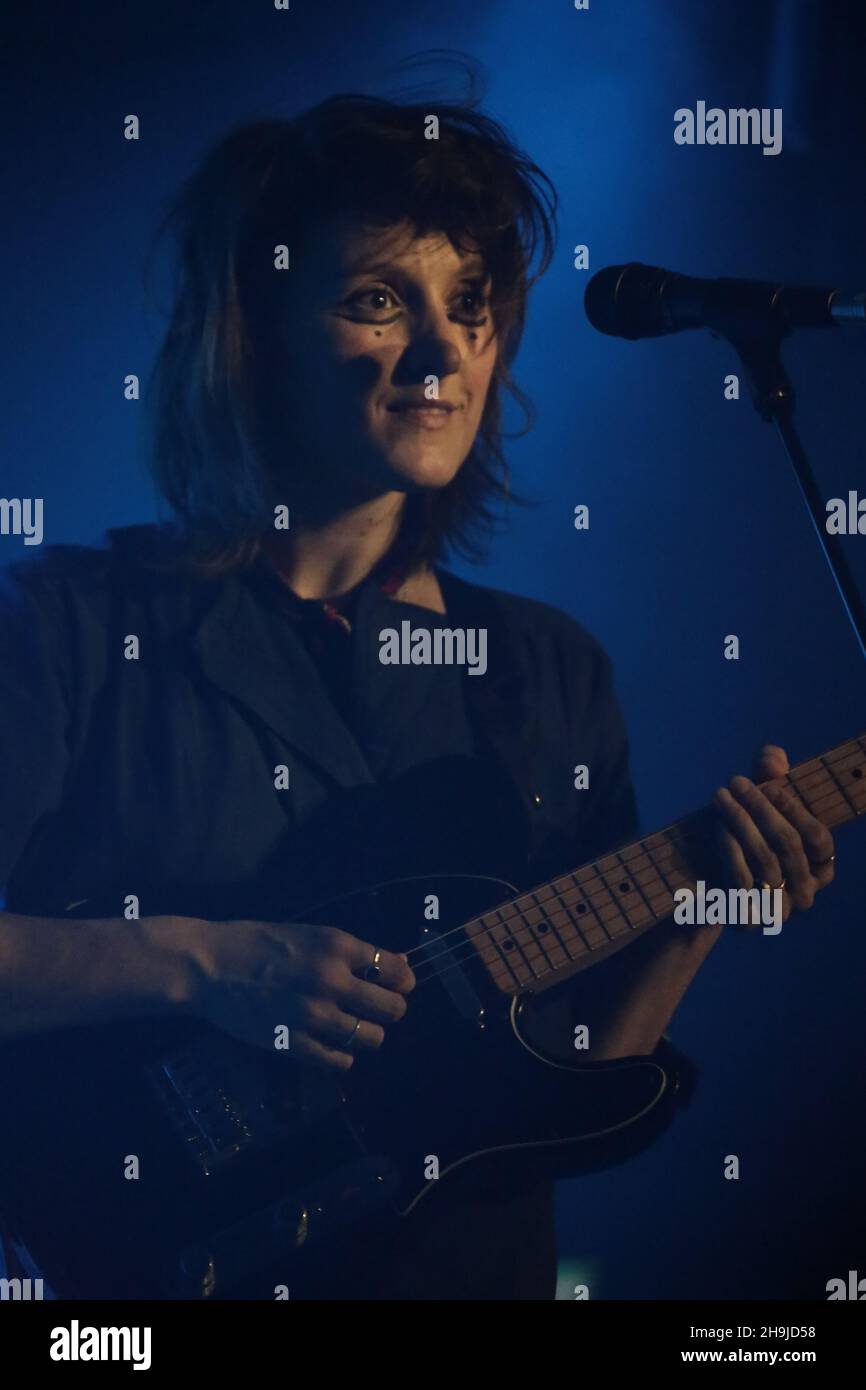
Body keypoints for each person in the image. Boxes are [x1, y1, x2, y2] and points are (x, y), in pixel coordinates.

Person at [0, 95, 836, 1301]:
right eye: (380, 301)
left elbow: (576, 1065)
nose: (445, 354)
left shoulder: (550, 670)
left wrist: (699, 905)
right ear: (256, 329)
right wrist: (199, 961)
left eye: (472, 308)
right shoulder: (70, 624)